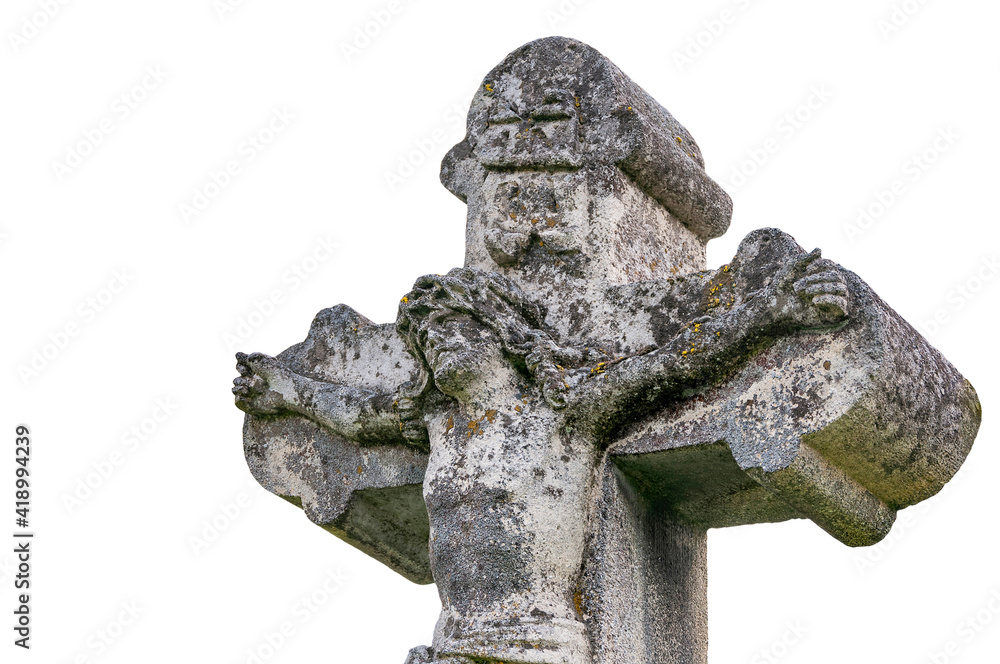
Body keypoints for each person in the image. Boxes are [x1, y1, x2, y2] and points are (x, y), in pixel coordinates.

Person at [233, 228, 849, 664]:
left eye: (453, 327)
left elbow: (670, 366)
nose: (437, 343)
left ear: (497, 334)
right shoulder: (438, 422)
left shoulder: (565, 409)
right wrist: (284, 388)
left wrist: (772, 310)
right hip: (451, 643)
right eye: (424, 337)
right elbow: (352, 416)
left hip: (540, 645)